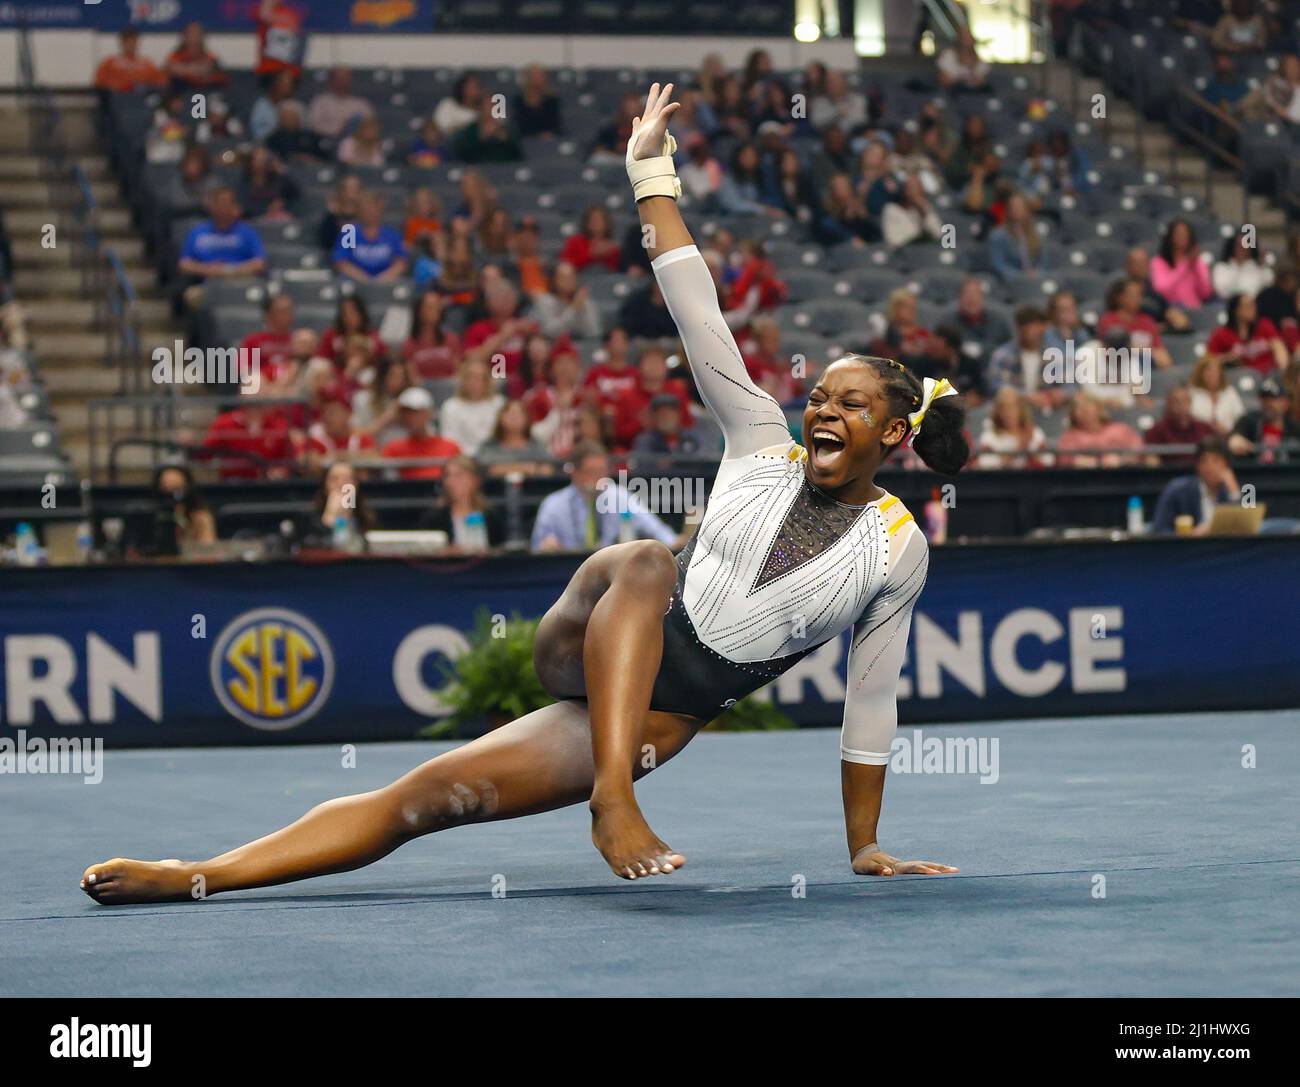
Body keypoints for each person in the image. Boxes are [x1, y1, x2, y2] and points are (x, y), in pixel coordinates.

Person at [80, 83, 962, 906]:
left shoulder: (898, 548)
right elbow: (695, 302)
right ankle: (612, 800)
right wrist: (648, 169)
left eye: (851, 403)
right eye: (821, 395)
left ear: (892, 434)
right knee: (649, 559)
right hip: (591, 632)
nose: (823, 409)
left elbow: (870, 696)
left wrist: (865, 844)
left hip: (662, 707)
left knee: (425, 799)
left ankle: (193, 874)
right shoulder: (761, 436)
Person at [530, 441, 679, 552]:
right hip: (567, 576)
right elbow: (537, 547)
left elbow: (657, 530)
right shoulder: (554, 505)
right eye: (592, 472)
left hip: (613, 576)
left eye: (602, 471)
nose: (599, 478)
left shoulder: (621, 497)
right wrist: (547, 546)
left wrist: (673, 542)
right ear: (575, 473)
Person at [176, 188, 267, 310]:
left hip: (240, 283)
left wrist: (228, 270)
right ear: (213, 206)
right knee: (192, 296)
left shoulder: (247, 232)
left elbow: (259, 264)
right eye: (222, 203)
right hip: (206, 284)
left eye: (230, 203)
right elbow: (184, 265)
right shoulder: (198, 232)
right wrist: (208, 269)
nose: (226, 207)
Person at [1150, 437, 1242, 534]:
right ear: (1197, 465)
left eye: (1216, 461)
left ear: (1226, 464)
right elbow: (1160, 530)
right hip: (1187, 547)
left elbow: (1245, 529)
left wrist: (1234, 492)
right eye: (1204, 461)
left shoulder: (1230, 490)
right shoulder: (1177, 491)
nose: (1210, 467)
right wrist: (1192, 535)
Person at [419, 456, 504, 550]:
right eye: (447, 476)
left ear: (474, 480)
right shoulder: (434, 518)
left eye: (459, 475)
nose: (451, 482)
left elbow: (501, 549)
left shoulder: (492, 516)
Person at [332, 192, 407, 282]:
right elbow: (341, 263)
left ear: (379, 210)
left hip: (386, 283)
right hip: (355, 283)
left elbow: (400, 263)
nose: (370, 212)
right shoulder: (349, 233)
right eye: (366, 209)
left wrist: (381, 280)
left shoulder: (391, 235)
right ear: (359, 211)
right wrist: (365, 280)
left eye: (373, 209)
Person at [1056, 391, 1143, 468]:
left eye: (1088, 405)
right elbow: (1063, 460)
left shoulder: (1120, 430)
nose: (1084, 410)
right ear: (1073, 414)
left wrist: (1121, 460)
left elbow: (1138, 451)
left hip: (1121, 478)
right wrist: (1075, 461)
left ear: (1099, 409)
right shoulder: (1069, 437)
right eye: (1078, 408)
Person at [1206, 294, 1288, 374]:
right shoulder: (1221, 333)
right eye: (1248, 306)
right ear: (1236, 310)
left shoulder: (1264, 325)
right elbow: (1207, 361)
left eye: (1254, 305)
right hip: (1240, 377)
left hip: (1268, 376)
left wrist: (1283, 370)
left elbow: (1279, 348)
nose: (1253, 309)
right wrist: (1227, 358)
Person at [146, 464, 216, 556]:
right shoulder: (150, 518)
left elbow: (208, 549)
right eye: (166, 491)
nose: (173, 497)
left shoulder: (201, 517)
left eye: (177, 490)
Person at [303, 460, 375, 549]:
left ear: (356, 485)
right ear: (325, 485)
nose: (341, 484)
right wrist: (330, 516)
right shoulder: (309, 519)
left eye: (347, 479)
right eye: (334, 479)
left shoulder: (366, 517)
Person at [439, 358, 504, 455]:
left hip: (496, 456)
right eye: (471, 377)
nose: (475, 382)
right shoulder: (451, 406)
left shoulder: (499, 404)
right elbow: (450, 441)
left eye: (481, 377)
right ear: (462, 380)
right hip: (463, 459)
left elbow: (505, 437)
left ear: (488, 381)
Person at [976, 387, 1049, 469]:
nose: (1008, 412)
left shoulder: (1035, 434)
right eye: (1003, 408)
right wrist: (1020, 448)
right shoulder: (989, 437)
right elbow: (985, 468)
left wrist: (1028, 451)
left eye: (1012, 406)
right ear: (997, 412)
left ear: (1021, 409)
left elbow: (1048, 466)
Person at [1228, 377, 1300, 459]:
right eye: (1264, 399)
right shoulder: (1249, 421)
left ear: (1285, 403)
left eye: (1272, 399)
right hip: (1255, 470)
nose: (1267, 404)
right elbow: (1235, 439)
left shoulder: (1294, 427)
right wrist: (1239, 442)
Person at [1150, 220, 1213, 311]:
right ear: (1170, 236)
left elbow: (1206, 293)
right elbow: (1161, 289)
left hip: (1194, 309)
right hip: (1169, 310)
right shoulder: (1158, 262)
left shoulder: (1198, 262)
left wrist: (1195, 267)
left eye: (1185, 234)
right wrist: (1184, 265)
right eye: (1178, 234)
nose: (1181, 237)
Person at [1143, 386, 1216, 465]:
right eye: (1176, 401)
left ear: (1190, 403)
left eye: (1185, 401)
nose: (1181, 405)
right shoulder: (1155, 431)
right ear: (1168, 404)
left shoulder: (1205, 428)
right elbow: (1151, 460)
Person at [307, 67, 374, 140]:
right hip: (326, 141)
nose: (342, 81)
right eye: (339, 78)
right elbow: (313, 125)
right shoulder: (320, 101)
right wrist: (340, 128)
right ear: (331, 80)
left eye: (345, 78)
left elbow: (371, 126)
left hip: (355, 143)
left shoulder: (361, 104)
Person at [1189, 353, 1247, 435]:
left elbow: (1241, 418)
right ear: (1200, 374)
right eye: (1208, 370)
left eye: (1215, 370)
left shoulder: (1229, 392)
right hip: (1200, 438)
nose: (1212, 374)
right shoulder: (1192, 393)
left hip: (1228, 438)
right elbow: (1188, 420)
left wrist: (1228, 432)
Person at [94, 29, 166, 94]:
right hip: (117, 98)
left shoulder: (146, 63)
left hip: (140, 98)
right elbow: (99, 82)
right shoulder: (110, 62)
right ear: (122, 43)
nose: (131, 45)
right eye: (128, 41)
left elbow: (160, 82)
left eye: (134, 41)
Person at [1213, 232, 1273, 299]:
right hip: (1230, 305)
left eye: (1245, 245)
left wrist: (1262, 266)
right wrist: (1238, 267)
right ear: (1232, 246)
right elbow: (1221, 291)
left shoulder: (1257, 267)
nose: (1242, 249)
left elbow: (1268, 283)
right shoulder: (1222, 267)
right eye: (1238, 245)